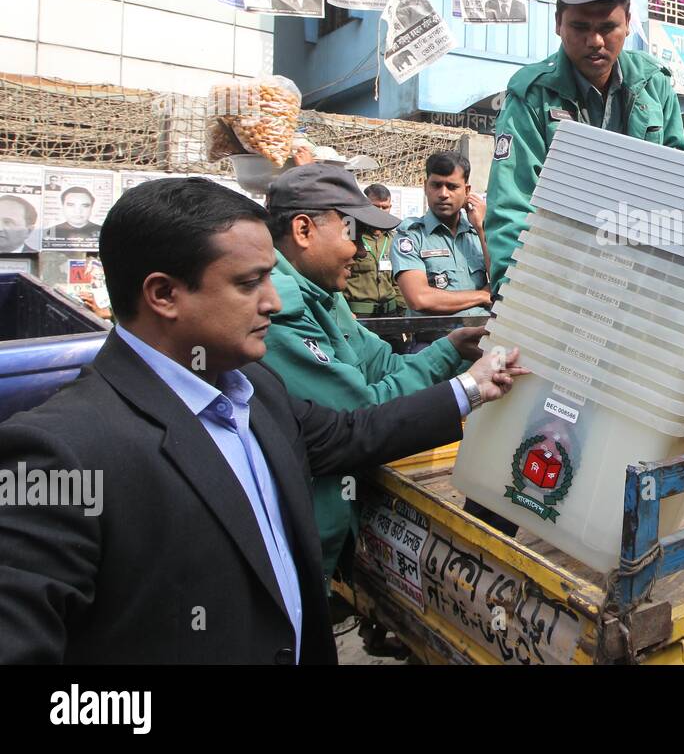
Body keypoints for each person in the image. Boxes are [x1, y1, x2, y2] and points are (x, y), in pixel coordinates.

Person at [0, 177, 526, 663]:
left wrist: (471, 388)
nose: (273, 303)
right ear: (163, 295)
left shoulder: (257, 392)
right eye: (250, 284)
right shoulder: (58, 454)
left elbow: (351, 433)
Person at [261, 164, 487, 587]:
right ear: (304, 230)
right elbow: (361, 415)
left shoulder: (325, 296)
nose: (364, 251)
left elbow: (385, 366)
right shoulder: (277, 309)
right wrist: (468, 387)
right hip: (293, 551)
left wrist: (454, 350)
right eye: (353, 234)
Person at [485, 0, 684, 290]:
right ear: (558, 25)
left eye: (608, 27)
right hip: (559, 275)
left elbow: (677, 187)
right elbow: (511, 203)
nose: (595, 41)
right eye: (580, 27)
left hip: (640, 276)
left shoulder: (655, 84)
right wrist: (513, 292)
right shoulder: (531, 96)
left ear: (627, 25)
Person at [392, 152, 491, 317]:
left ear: (467, 191)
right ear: (425, 187)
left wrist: (481, 228)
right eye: (436, 185)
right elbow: (419, 298)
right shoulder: (411, 236)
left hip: (483, 337)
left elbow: (501, 283)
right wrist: (482, 295)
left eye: (452, 187)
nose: (443, 194)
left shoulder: (477, 233)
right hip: (434, 340)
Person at [344, 184, 406, 317]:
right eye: (376, 206)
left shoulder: (393, 239)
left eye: (385, 207)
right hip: (358, 315)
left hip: (390, 313)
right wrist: (344, 312)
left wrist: (402, 314)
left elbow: (398, 281)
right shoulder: (351, 237)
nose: (381, 211)